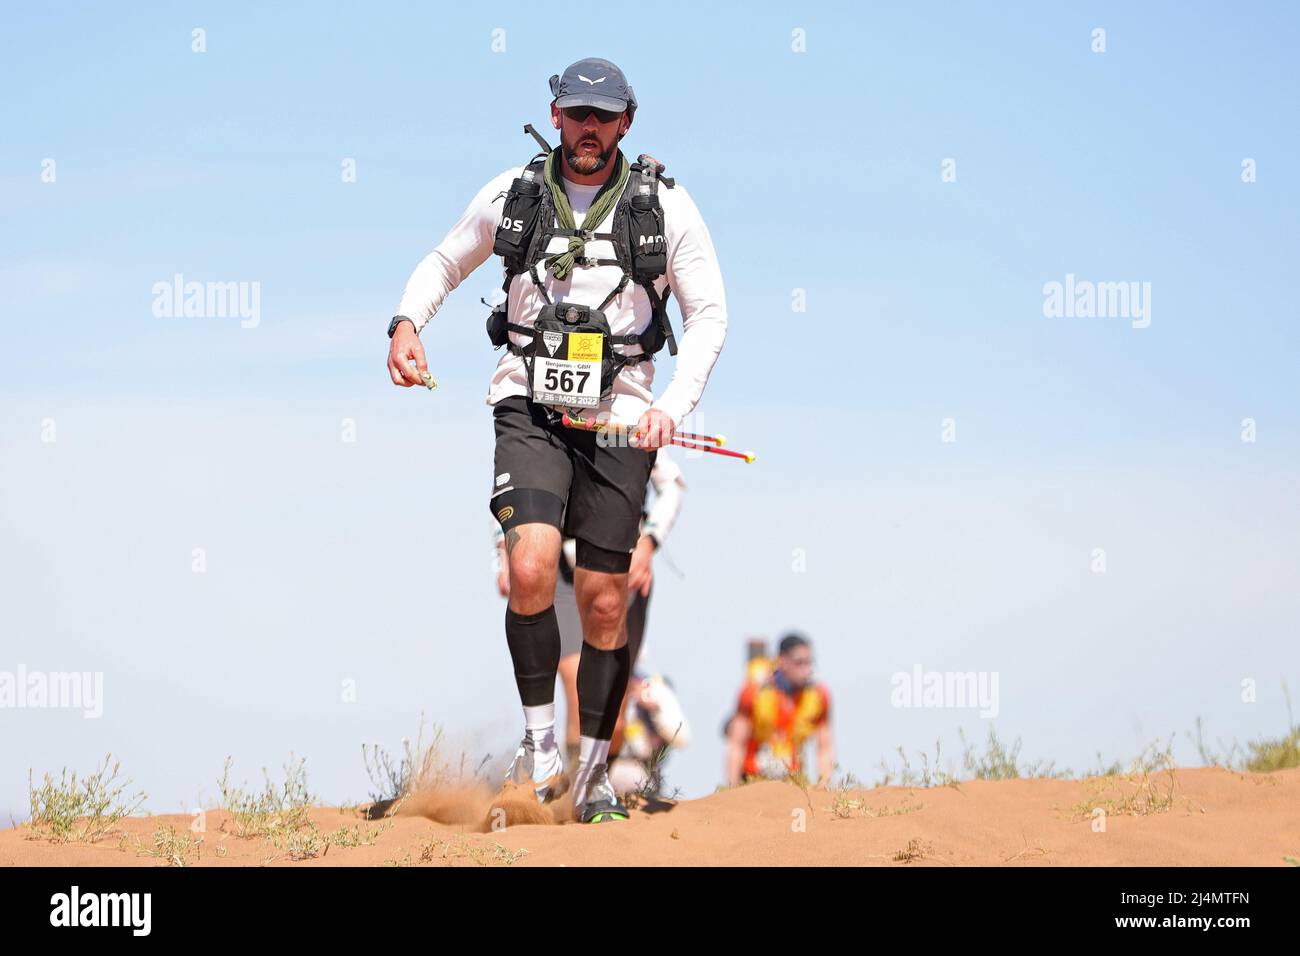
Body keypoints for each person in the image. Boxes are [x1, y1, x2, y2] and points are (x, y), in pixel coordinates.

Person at [388, 57, 727, 823]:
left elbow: (710, 314)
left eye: (604, 116)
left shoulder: (664, 206)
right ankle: (541, 744)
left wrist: (672, 405)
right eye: (577, 112)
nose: (589, 128)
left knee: (606, 604)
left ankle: (596, 772)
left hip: (621, 418)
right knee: (532, 560)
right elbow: (447, 260)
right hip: (528, 406)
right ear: (556, 112)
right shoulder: (516, 195)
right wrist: (408, 322)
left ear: (627, 123)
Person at [495, 452, 687, 771]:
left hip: (620, 569)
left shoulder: (626, 413)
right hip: (562, 571)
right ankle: (573, 790)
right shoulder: (545, 422)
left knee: (615, 699)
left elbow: (673, 486)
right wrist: (504, 552)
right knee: (577, 684)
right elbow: (515, 482)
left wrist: (650, 542)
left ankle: (597, 778)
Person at [725, 633, 834, 786]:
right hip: (752, 780)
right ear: (782, 660)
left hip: (792, 782)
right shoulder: (754, 692)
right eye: (799, 663)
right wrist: (732, 788)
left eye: (809, 663)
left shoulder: (818, 696)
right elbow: (736, 744)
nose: (806, 670)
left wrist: (824, 788)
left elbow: (824, 748)